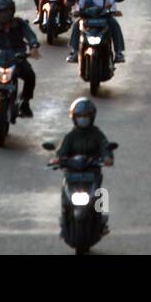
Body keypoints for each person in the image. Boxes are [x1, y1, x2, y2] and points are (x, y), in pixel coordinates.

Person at [49, 97, 115, 235]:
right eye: (80, 116)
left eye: (86, 116)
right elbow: (61, 151)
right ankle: (65, 217)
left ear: (92, 117)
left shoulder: (97, 134)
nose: (83, 119)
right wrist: (56, 159)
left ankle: (102, 220)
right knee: (64, 194)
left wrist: (107, 158)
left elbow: (105, 147)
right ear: (74, 118)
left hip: (92, 173)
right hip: (72, 173)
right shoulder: (70, 136)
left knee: (101, 194)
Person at [67, 0, 125, 65]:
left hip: (104, 19)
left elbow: (112, 6)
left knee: (114, 24)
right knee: (77, 25)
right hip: (88, 19)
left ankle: (119, 53)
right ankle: (74, 52)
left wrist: (114, 11)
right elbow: (80, 5)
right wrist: (77, 11)